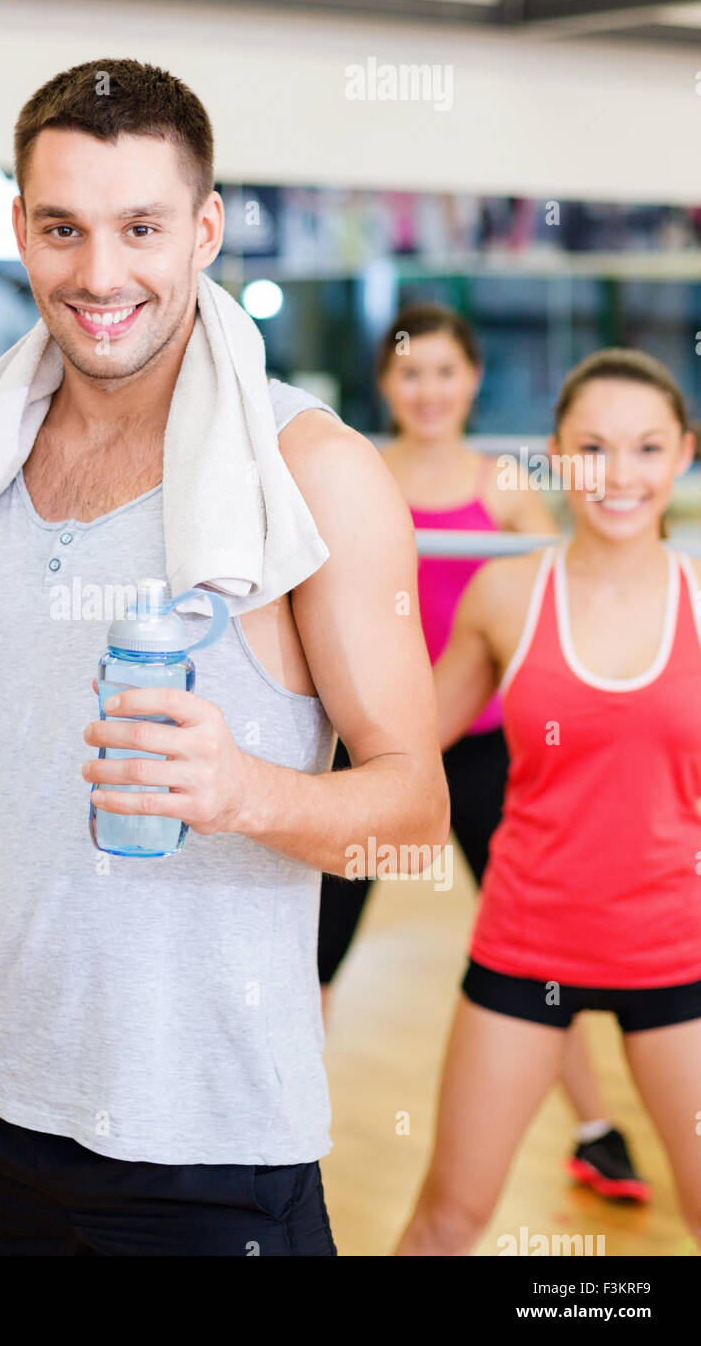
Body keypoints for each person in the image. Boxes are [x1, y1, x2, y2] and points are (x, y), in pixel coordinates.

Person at [0, 58, 448, 1257]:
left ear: (205, 229)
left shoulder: (312, 473)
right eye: (63, 228)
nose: (100, 273)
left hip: (207, 1142)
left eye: (141, 227)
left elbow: (416, 808)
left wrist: (246, 792)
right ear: (19, 228)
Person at [319, 306, 646, 1200]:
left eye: (444, 371)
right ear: (386, 385)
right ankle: (278, 1120)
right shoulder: (362, 475)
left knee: (534, 946)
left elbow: (556, 600)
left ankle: (594, 1128)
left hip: (487, 747)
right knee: (313, 943)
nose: (428, 390)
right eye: (409, 373)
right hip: (373, 743)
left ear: (470, 381)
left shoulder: (502, 483)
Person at [396, 348, 701, 1254]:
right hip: (526, 949)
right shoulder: (505, 595)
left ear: (682, 455)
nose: (618, 476)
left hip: (674, 952)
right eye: (592, 448)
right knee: (447, 1220)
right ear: (556, 457)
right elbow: (413, 741)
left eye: (645, 449)